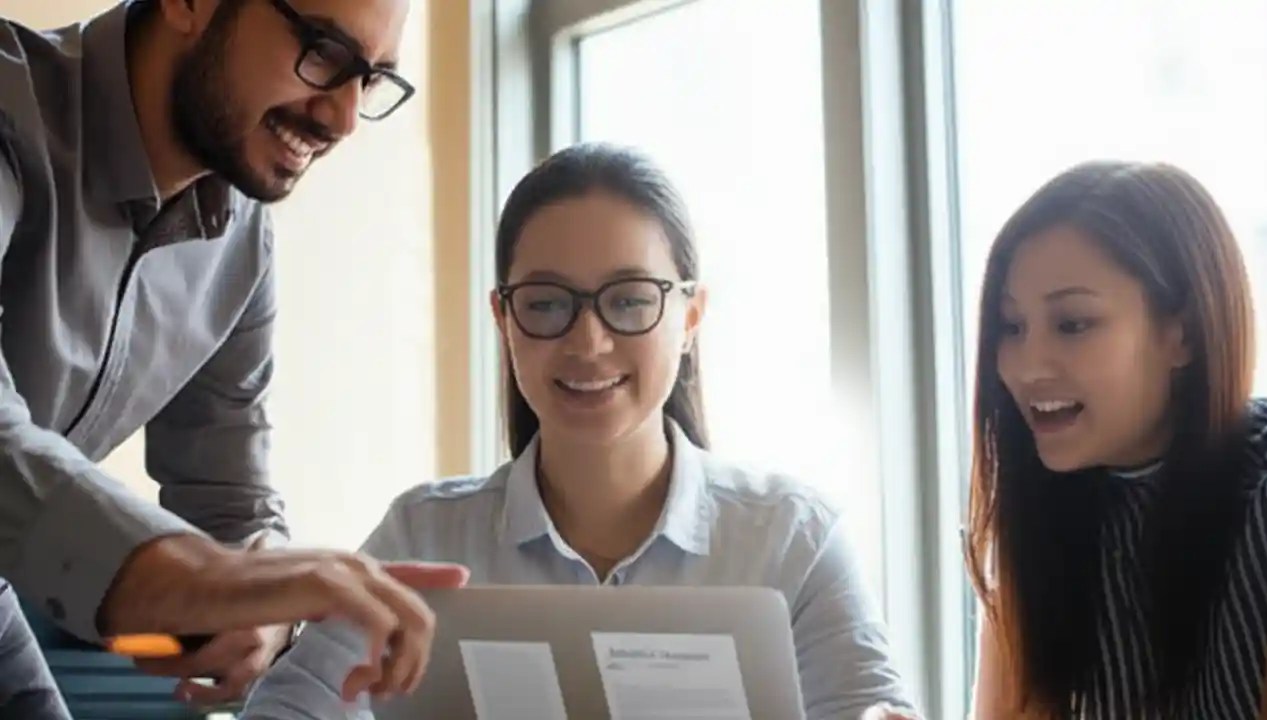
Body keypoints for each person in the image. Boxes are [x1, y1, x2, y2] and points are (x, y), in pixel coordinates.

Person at [240, 143, 919, 720]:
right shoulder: (425, 537)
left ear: (689, 317)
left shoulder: (791, 541)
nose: (588, 342)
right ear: (503, 320)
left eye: (628, 300)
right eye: (546, 304)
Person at [0, 0, 466, 715]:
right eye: (322, 51)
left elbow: (229, 500)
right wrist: (192, 574)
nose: (342, 119)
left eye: (369, 81)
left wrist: (267, 603)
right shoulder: (9, 109)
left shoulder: (241, 241)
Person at [963, 161, 1267, 718]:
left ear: (1182, 332)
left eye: (1073, 324)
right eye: (1011, 327)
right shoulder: (1038, 509)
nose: (1026, 367)